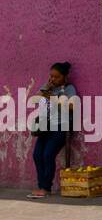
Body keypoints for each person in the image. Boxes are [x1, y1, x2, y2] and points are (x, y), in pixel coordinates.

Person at [29, 62, 76, 199]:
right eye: (51, 76)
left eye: (56, 77)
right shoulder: (48, 88)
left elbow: (72, 106)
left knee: (48, 155)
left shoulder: (69, 89)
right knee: (37, 154)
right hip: (45, 127)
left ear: (64, 77)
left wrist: (54, 99)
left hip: (61, 126)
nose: (53, 79)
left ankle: (46, 188)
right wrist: (46, 87)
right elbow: (35, 99)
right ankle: (41, 185)